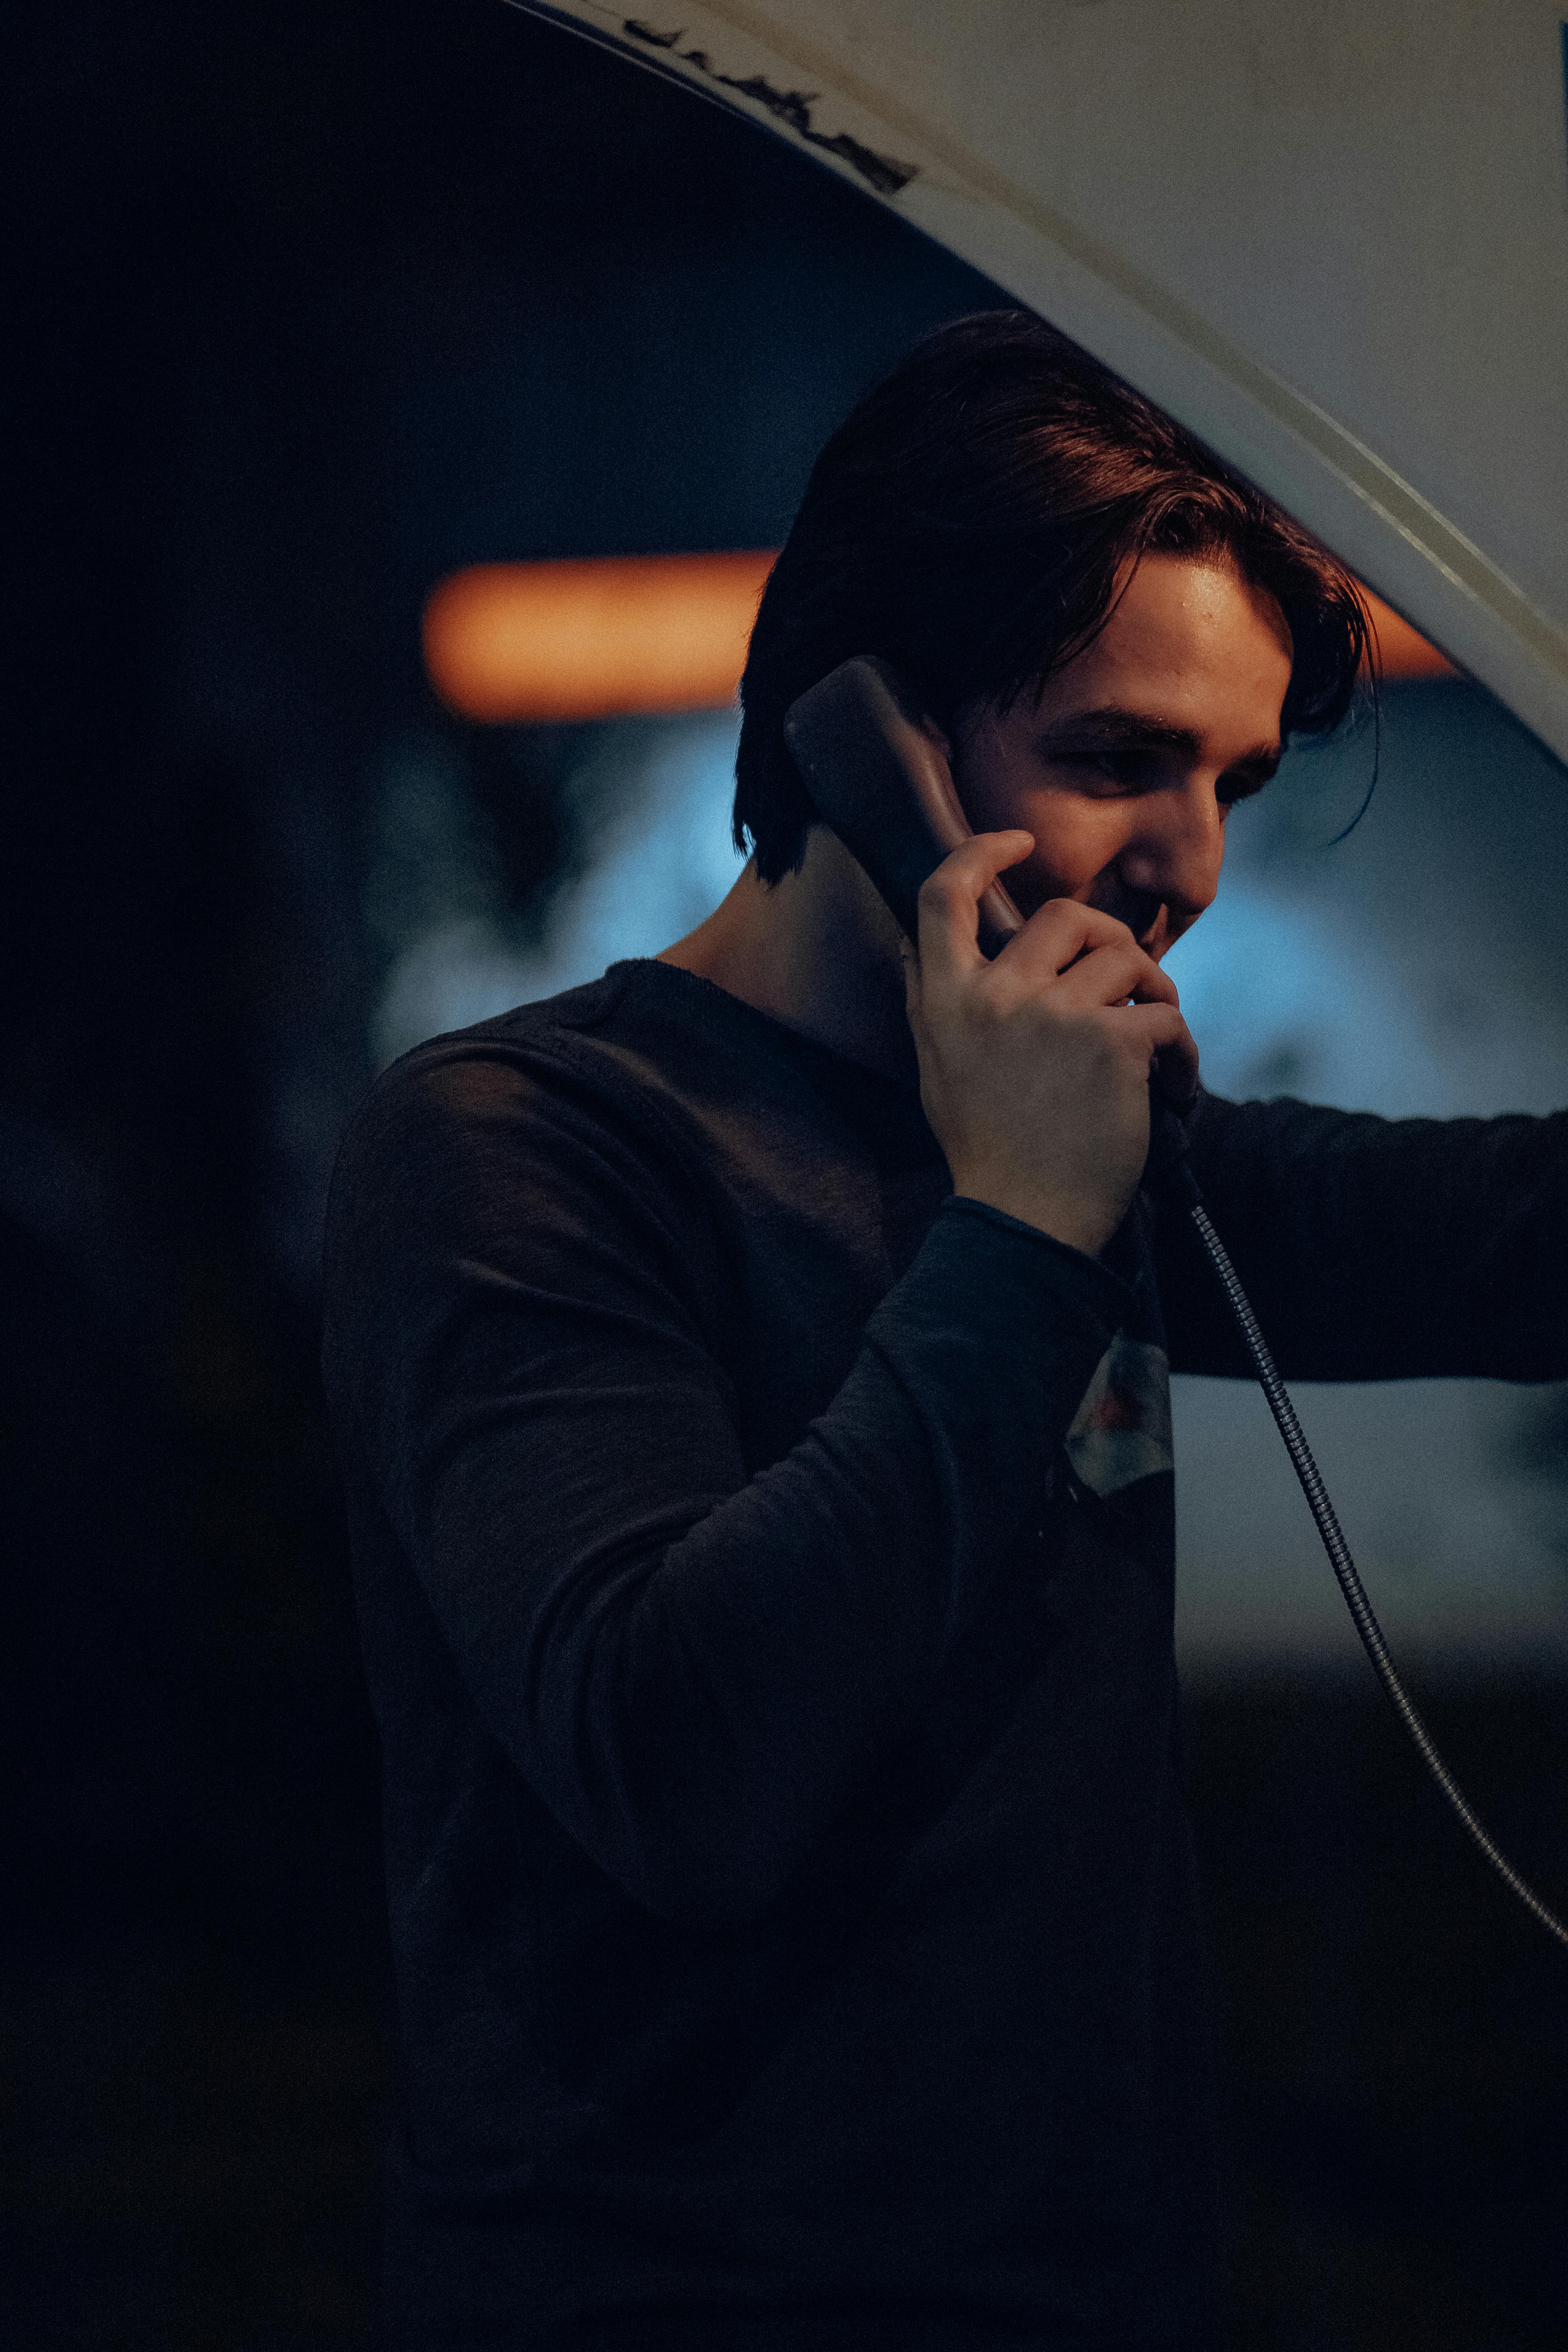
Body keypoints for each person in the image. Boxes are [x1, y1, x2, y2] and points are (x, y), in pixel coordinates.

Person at [321, 311, 1568, 2349]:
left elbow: (1510, 1229)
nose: (1193, 865)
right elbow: (685, 1761)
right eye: (1114, 759)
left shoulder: (1099, 1153)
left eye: (1233, 780)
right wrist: (1016, 1231)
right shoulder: (524, 1148)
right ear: (862, 732)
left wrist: (1047, 1196)